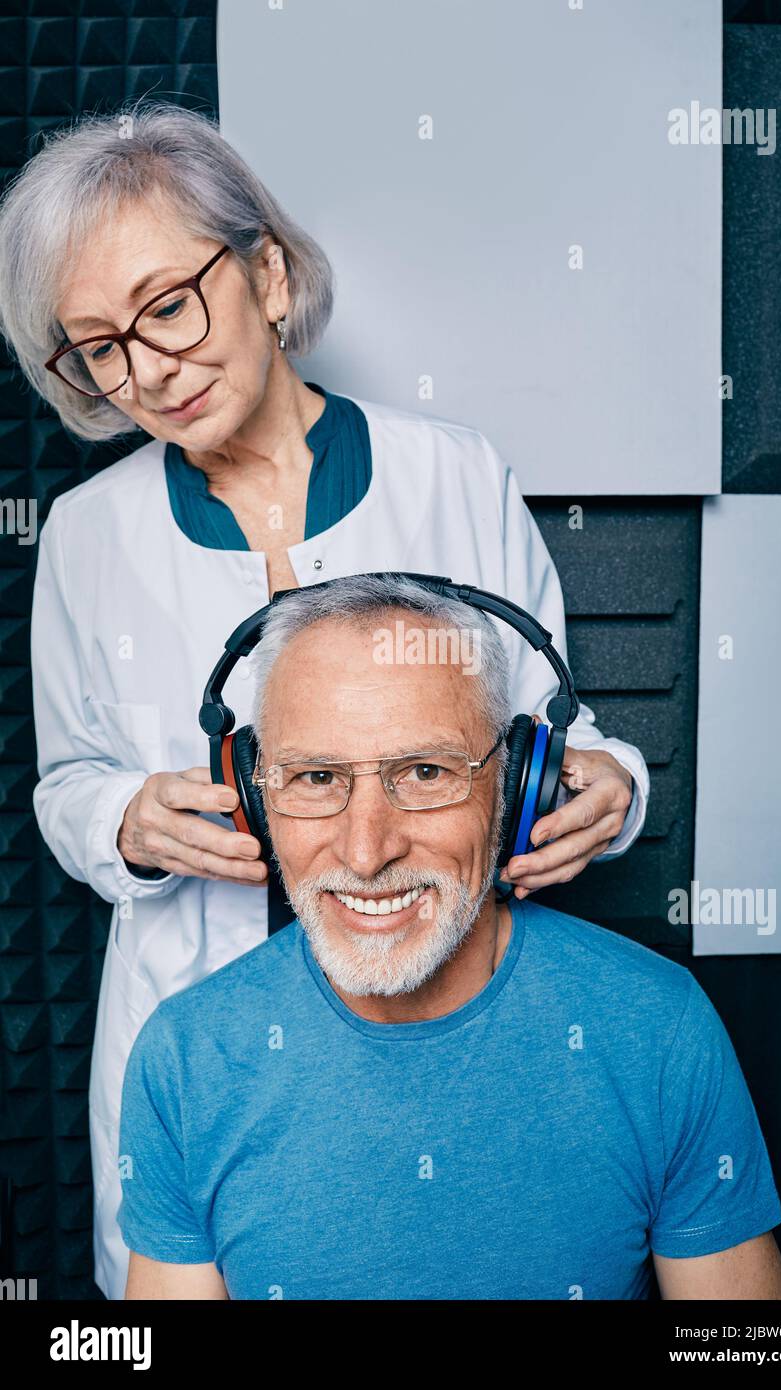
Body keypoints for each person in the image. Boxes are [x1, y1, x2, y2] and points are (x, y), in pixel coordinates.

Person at [0, 101, 648, 1299]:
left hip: (455, 1010)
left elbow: (559, 724)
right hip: (206, 1037)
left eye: (168, 307)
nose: (145, 369)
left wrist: (614, 782)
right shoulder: (85, 538)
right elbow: (66, 785)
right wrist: (121, 822)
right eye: (98, 344)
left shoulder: (450, 472)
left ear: (268, 271)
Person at [118, 575, 781, 1301]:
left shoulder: (657, 1027)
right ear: (253, 797)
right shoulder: (185, 1056)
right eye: (315, 776)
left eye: (426, 771)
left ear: (514, 783)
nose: (367, 852)